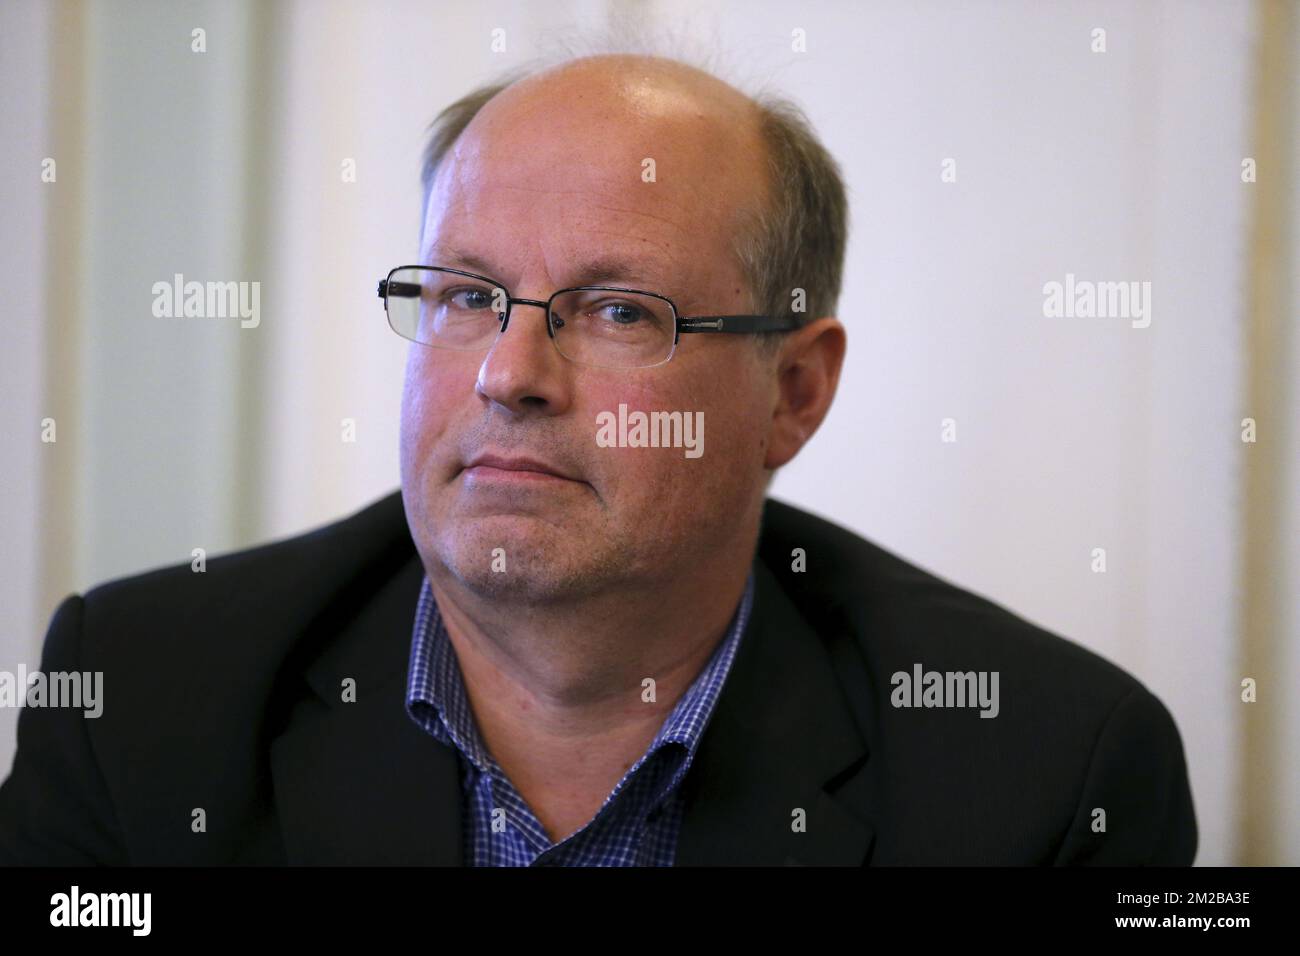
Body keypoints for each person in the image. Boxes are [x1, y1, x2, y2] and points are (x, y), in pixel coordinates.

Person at [0, 53, 1195, 866]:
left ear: (793, 391)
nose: (507, 371)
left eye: (620, 312)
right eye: (466, 294)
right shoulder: (141, 698)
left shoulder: (1047, 772)